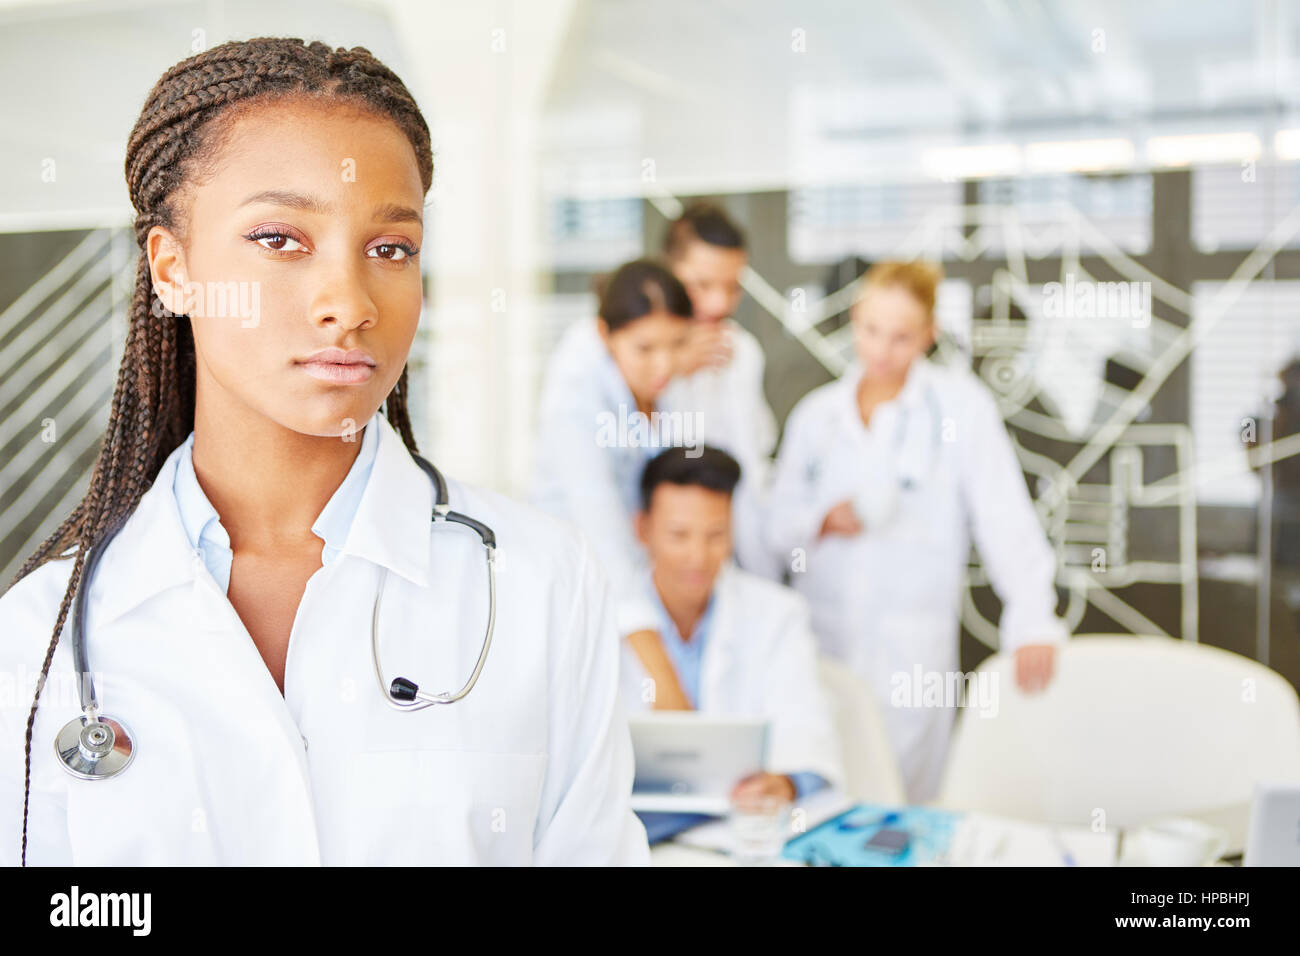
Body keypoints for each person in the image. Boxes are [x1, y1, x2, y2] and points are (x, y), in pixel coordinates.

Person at [0, 38, 647, 866]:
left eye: (391, 249)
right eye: (279, 239)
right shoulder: (41, 639)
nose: (347, 303)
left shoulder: (540, 582)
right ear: (173, 268)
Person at [766, 260, 1067, 802]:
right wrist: (822, 520)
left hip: (913, 649)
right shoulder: (817, 416)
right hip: (826, 639)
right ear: (855, 319)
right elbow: (774, 524)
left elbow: (1004, 516)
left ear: (929, 334)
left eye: (902, 337)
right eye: (871, 331)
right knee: (826, 794)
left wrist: (1033, 616)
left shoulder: (960, 408)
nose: (881, 350)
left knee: (903, 808)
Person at [620, 446, 843, 806]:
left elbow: (806, 730)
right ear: (642, 529)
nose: (698, 556)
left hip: (741, 829)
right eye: (679, 535)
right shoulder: (606, 617)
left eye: (715, 535)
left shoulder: (777, 614)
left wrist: (786, 783)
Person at [532, 259, 693, 673]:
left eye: (677, 344)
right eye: (646, 349)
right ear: (605, 335)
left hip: (642, 578)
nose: (664, 365)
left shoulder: (659, 387)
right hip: (575, 580)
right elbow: (602, 528)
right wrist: (659, 671)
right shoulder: (575, 398)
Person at [658, 202, 782, 580]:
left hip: (734, 560)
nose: (719, 304)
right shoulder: (636, 353)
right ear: (667, 272)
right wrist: (671, 368)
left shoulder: (742, 353)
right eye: (702, 285)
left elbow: (753, 464)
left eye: (732, 287)